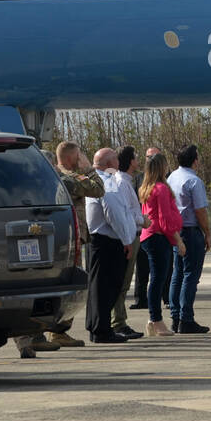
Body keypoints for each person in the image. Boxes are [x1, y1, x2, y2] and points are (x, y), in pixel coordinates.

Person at [15, 140, 103, 357]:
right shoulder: (63, 180)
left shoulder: (21, 184)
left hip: (35, 241)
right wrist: (89, 168)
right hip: (60, 242)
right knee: (63, 285)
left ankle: (33, 336)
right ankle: (47, 332)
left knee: (31, 288)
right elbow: (98, 189)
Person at [85, 148, 138, 343]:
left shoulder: (98, 181)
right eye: (116, 159)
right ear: (109, 164)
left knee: (98, 286)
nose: (118, 162)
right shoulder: (107, 182)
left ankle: (96, 326)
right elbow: (114, 214)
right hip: (108, 241)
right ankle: (102, 330)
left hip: (99, 240)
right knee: (107, 286)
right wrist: (126, 240)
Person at [167, 145, 211, 334]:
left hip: (175, 231)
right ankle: (187, 318)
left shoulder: (171, 178)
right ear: (195, 160)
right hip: (190, 230)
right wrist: (207, 232)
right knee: (191, 275)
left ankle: (176, 316)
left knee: (177, 274)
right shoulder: (194, 181)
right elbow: (200, 210)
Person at [139, 152, 183, 336]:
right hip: (158, 237)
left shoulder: (146, 188)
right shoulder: (161, 189)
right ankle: (156, 319)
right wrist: (178, 241)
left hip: (148, 237)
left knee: (157, 279)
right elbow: (164, 220)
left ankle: (153, 319)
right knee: (159, 279)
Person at [108, 145, 148, 340]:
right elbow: (126, 212)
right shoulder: (122, 183)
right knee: (123, 282)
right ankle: (118, 322)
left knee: (123, 281)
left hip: (132, 234)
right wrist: (142, 219)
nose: (138, 160)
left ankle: (118, 320)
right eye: (136, 157)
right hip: (130, 236)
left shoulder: (124, 181)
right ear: (131, 161)